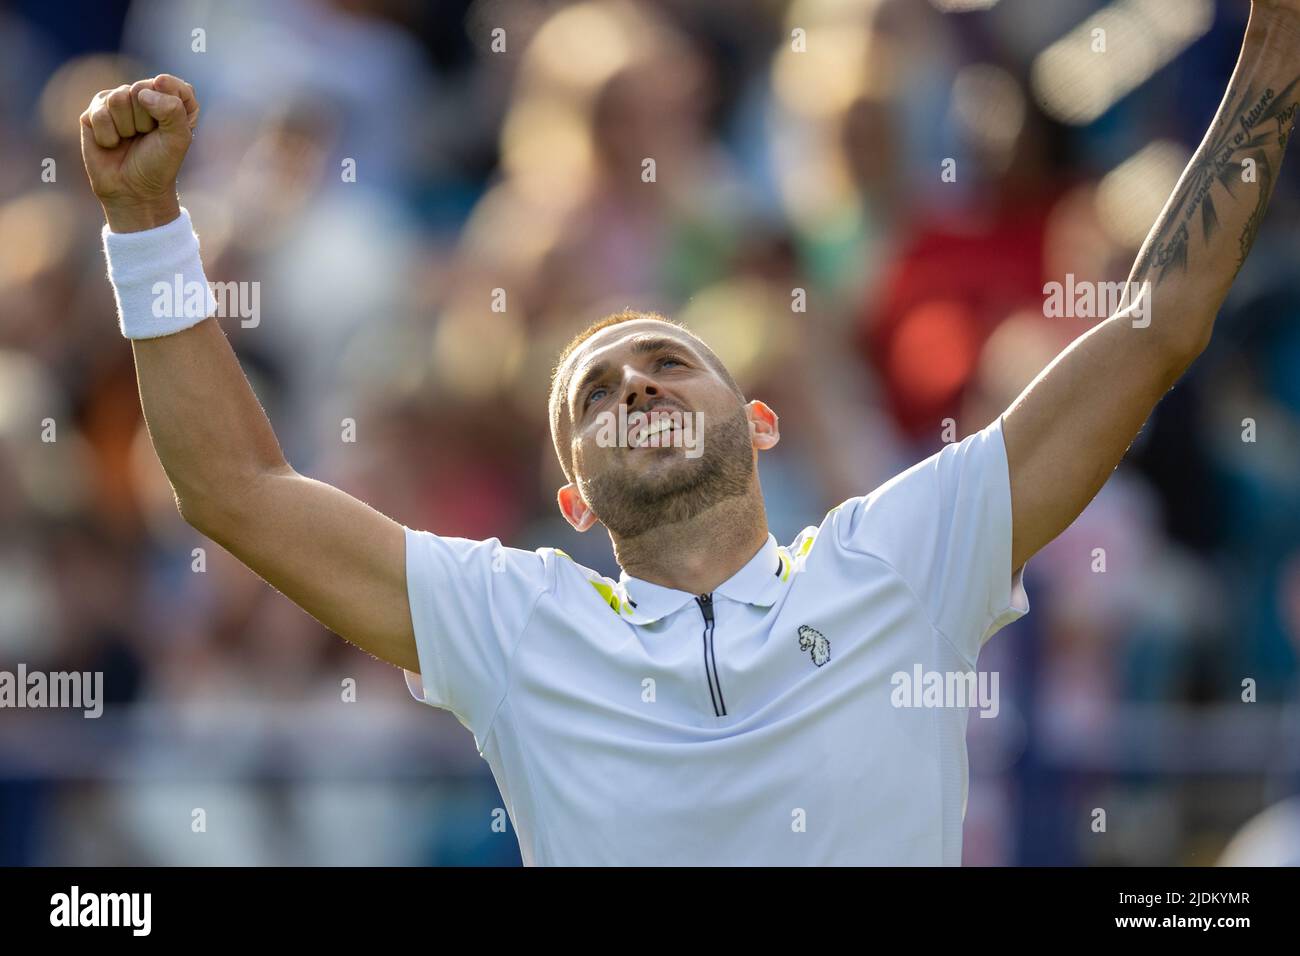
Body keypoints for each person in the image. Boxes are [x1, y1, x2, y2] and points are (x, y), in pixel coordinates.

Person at [79, 1, 1300, 864]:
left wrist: (1271, 45)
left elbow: (1153, 325)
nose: (636, 388)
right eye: (596, 394)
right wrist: (145, 228)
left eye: (669, 363)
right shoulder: (508, 621)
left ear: (760, 422)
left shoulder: (904, 550)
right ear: (572, 500)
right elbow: (232, 485)